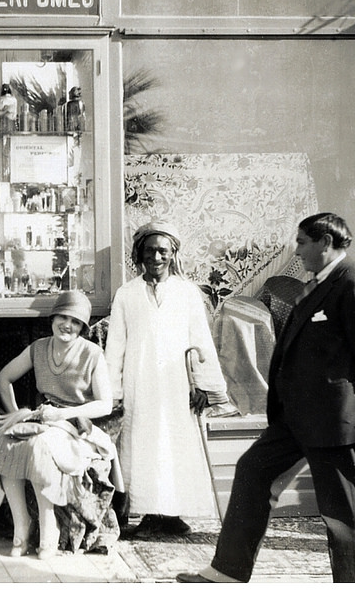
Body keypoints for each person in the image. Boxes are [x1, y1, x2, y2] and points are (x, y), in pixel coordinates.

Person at [177, 213, 355, 583]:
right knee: (252, 471)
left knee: (343, 512)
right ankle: (228, 572)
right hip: (297, 416)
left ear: (325, 243)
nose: (297, 250)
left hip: (336, 418)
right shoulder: (317, 283)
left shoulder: (354, 283)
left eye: (303, 242)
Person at [104, 220, 237, 538]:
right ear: (139, 254)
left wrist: (205, 385)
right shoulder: (127, 294)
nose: (156, 257)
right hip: (141, 384)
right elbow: (116, 346)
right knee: (146, 446)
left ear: (174, 253)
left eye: (163, 251)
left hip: (178, 386)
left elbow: (201, 341)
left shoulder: (187, 293)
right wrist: (114, 390)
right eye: (149, 251)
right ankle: (151, 514)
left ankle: (172, 514)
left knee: (175, 446)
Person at [0, 290, 123, 559]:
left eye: (75, 321)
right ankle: (21, 526)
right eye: (63, 317)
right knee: (8, 440)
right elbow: (4, 378)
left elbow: (105, 404)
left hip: (77, 428)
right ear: (52, 319)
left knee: (40, 445)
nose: (68, 325)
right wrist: (17, 413)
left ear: (83, 327)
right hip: (44, 419)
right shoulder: (39, 348)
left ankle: (49, 528)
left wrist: (64, 415)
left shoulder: (92, 353)